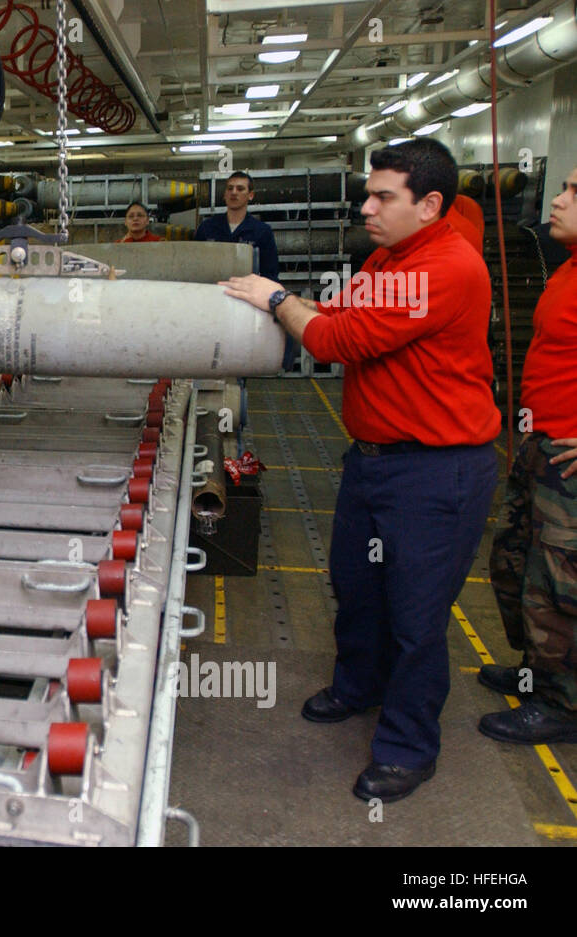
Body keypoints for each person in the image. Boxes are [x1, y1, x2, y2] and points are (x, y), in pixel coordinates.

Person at [220, 139, 498, 802]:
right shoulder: (387, 258)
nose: (366, 206)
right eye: (367, 193)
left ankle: (407, 745)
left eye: (383, 197)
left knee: (415, 614)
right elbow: (342, 313)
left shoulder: (446, 267)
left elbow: (336, 339)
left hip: (436, 471)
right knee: (357, 585)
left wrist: (276, 295)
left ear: (429, 204)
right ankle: (359, 684)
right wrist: (298, 307)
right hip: (373, 461)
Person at [480, 165, 577, 744]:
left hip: (567, 460)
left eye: (574, 192)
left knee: (559, 585)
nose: (558, 202)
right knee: (514, 561)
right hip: (539, 445)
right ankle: (540, 672)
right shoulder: (567, 268)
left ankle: (563, 705)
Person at [195, 171, 292, 372]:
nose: (234, 193)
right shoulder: (207, 228)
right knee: (207, 358)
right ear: (224, 195)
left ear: (250, 195)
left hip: (245, 305)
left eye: (240, 189)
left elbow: (270, 274)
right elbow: (193, 266)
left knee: (237, 360)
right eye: (230, 188)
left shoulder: (261, 231)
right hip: (210, 304)